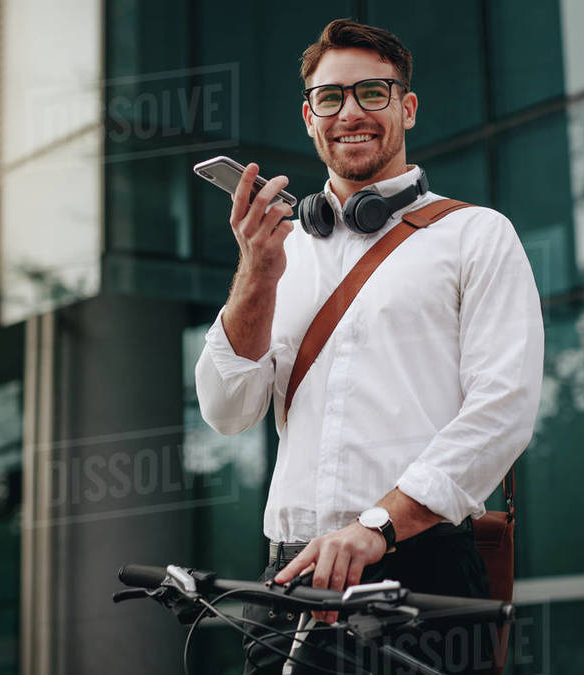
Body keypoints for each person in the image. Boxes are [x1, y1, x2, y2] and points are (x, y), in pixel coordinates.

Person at [195, 18, 543, 675]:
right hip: (290, 578)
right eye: (331, 97)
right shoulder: (277, 251)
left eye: (372, 93)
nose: (350, 112)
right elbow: (225, 409)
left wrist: (376, 525)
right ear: (308, 117)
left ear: (406, 106)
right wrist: (255, 275)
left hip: (424, 571)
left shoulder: (477, 234)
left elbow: (504, 408)